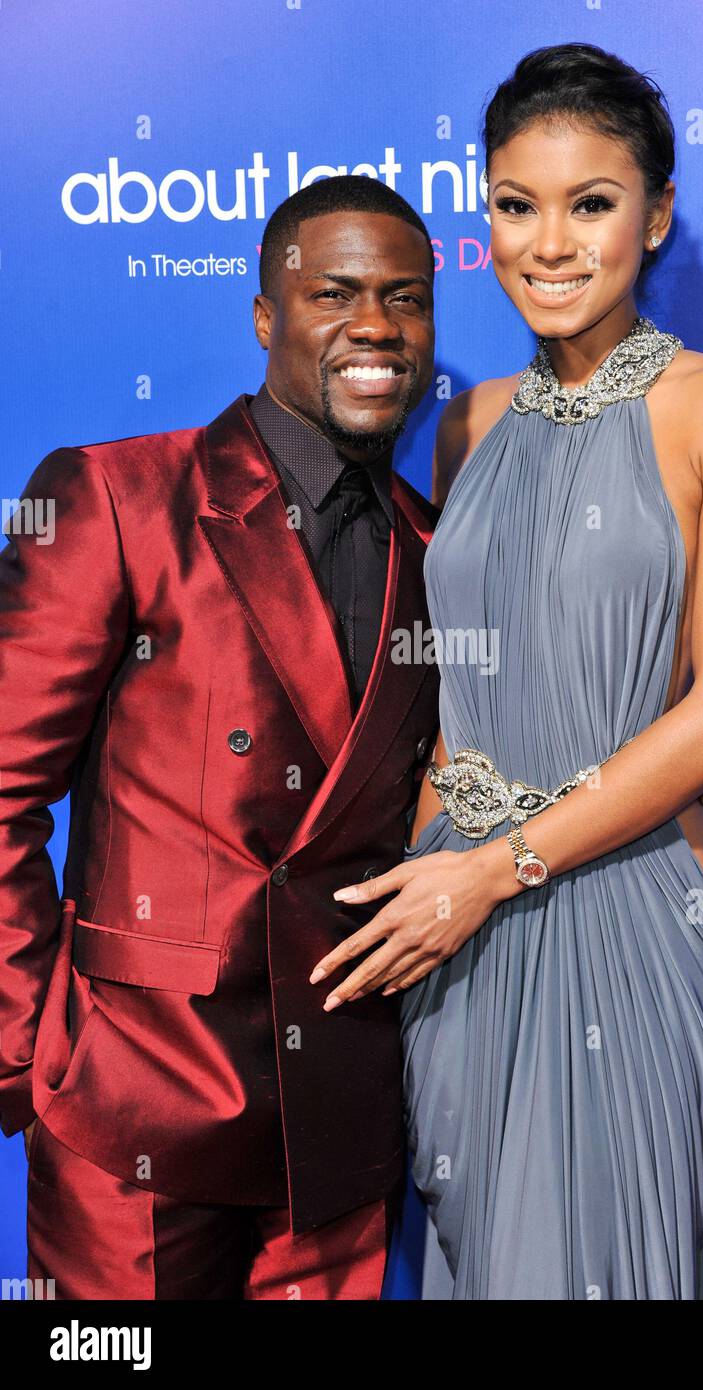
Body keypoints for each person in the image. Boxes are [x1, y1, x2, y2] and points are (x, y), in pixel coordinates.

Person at [309, 45, 703, 1299]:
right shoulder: (464, 423)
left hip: (624, 909)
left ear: (659, 213)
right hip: (453, 922)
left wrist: (499, 867)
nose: (552, 243)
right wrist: (436, 873)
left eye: (593, 202)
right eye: (518, 205)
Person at [0, 175, 440, 1299]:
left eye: (405, 296)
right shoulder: (118, 495)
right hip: (134, 1114)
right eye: (334, 292)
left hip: (341, 1128)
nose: (376, 326)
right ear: (263, 315)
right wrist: (24, 1046)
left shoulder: (438, 547)